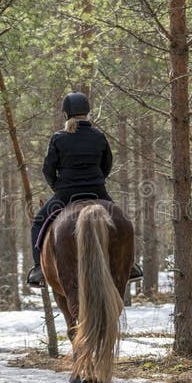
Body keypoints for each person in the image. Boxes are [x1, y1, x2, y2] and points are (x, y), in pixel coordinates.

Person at [27, 91, 143, 286]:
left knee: (38, 222)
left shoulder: (59, 137)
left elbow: (48, 168)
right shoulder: (99, 136)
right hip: (97, 190)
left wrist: (58, 187)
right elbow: (107, 164)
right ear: (87, 113)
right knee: (123, 222)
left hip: (65, 193)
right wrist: (97, 181)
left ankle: (38, 269)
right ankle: (130, 265)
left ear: (66, 114)